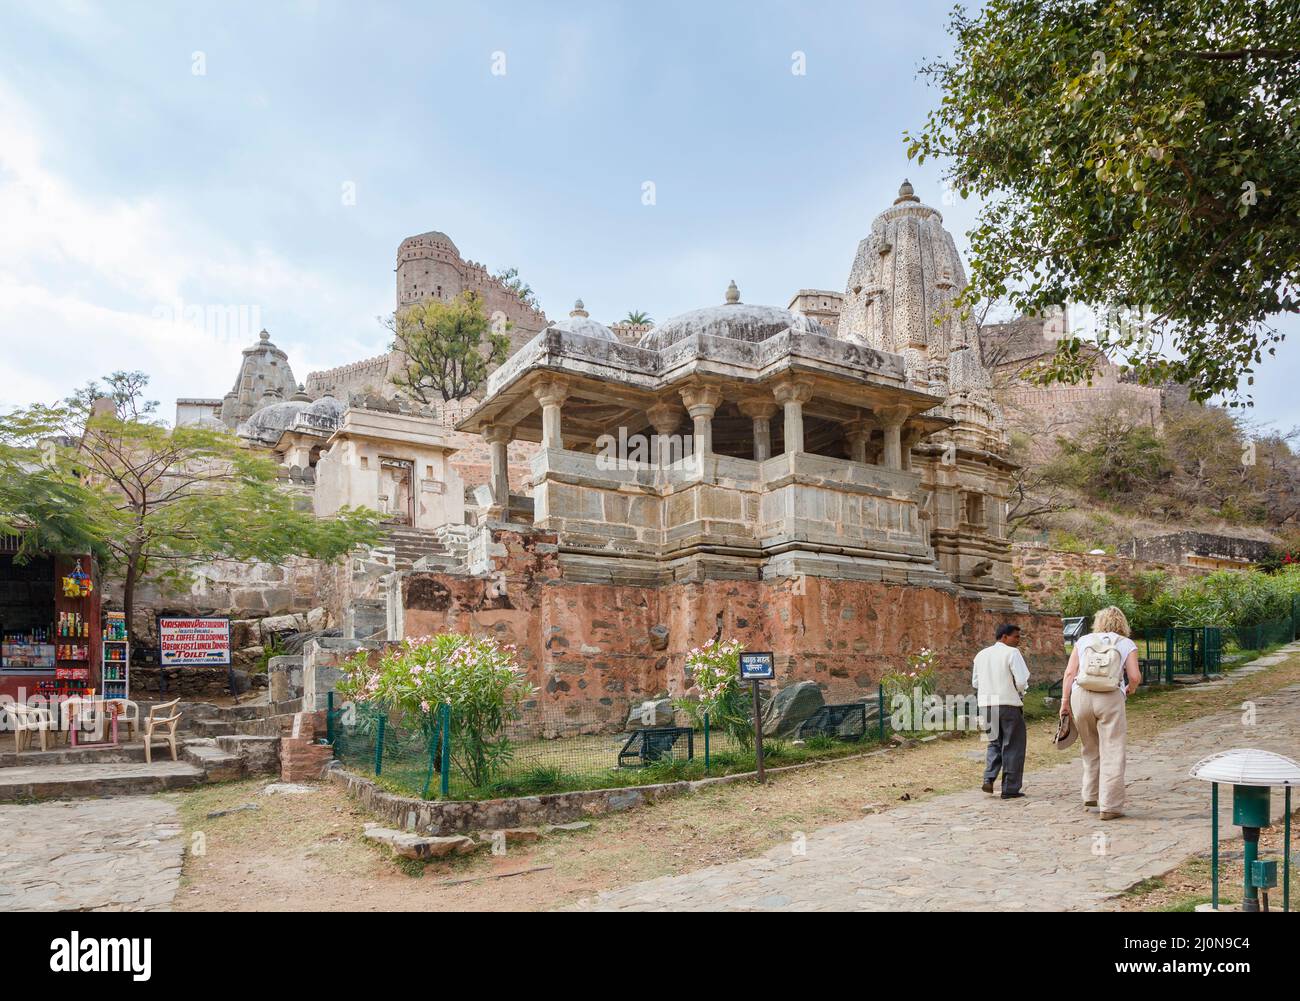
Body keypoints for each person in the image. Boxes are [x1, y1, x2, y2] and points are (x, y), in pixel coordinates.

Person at [1059, 605, 1142, 820]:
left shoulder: (1084, 640)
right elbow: (1134, 676)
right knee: (1113, 749)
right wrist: (1128, 690)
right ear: (1122, 623)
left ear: (1099, 622)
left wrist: (1065, 701)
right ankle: (1110, 806)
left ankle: (1090, 793)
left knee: (1089, 746)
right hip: (1109, 696)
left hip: (1081, 695)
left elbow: (1070, 673)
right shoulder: (1126, 644)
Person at [972, 623, 1030, 799]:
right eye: (1016, 636)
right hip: (1008, 704)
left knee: (994, 743)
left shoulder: (981, 655)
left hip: (986, 704)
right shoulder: (1012, 653)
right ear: (1004, 637)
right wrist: (1021, 692)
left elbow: (975, 683)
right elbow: (1021, 680)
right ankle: (1010, 788)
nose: (1018, 640)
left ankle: (989, 778)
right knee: (1013, 745)